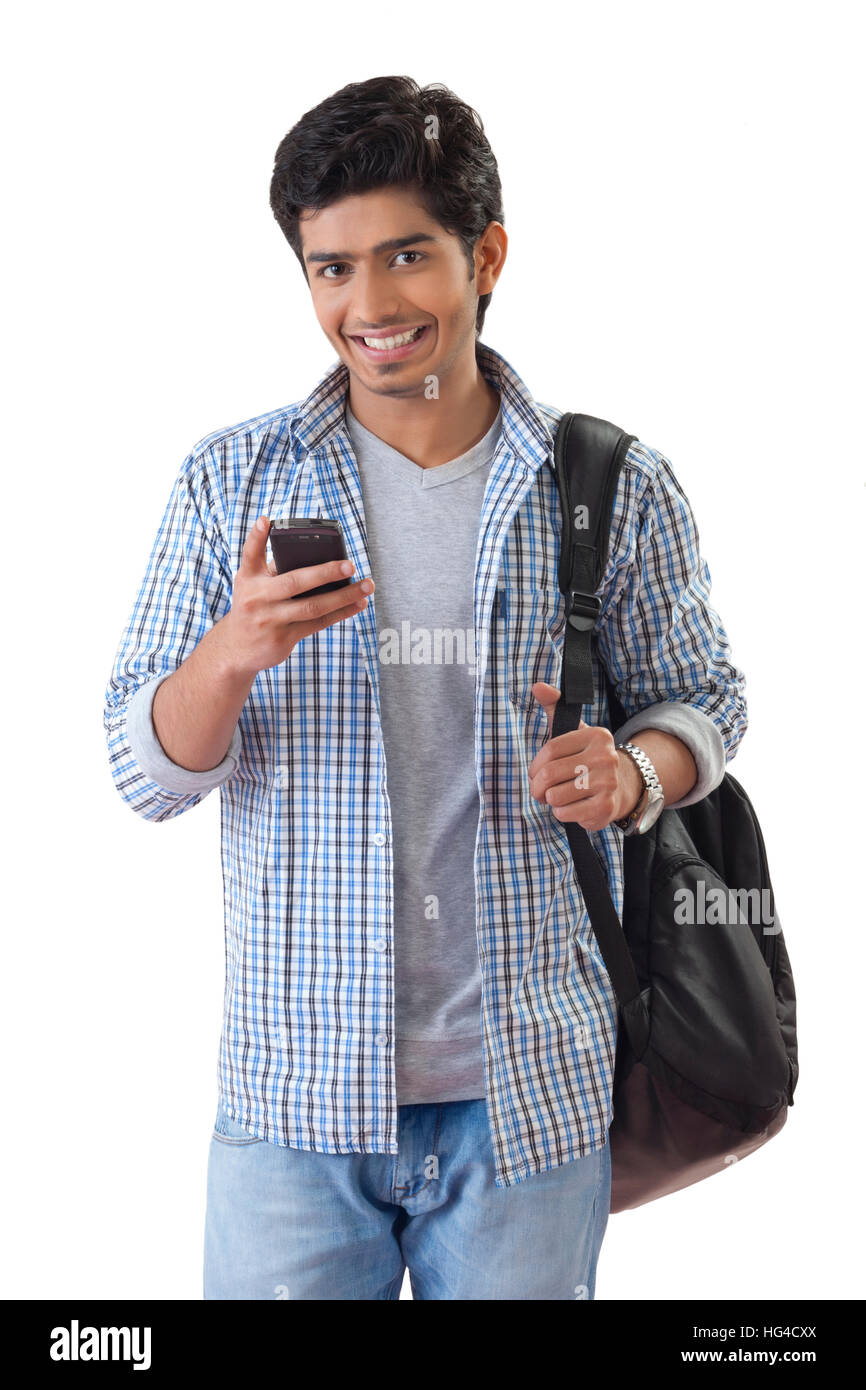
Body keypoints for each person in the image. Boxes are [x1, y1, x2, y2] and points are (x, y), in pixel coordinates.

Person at [104, 75, 747, 1301]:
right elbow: (141, 771)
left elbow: (705, 695)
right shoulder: (230, 481)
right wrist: (231, 650)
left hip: (529, 1095)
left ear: (483, 253)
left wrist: (631, 772)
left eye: (405, 255)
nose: (369, 304)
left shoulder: (604, 483)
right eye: (329, 269)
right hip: (295, 1099)